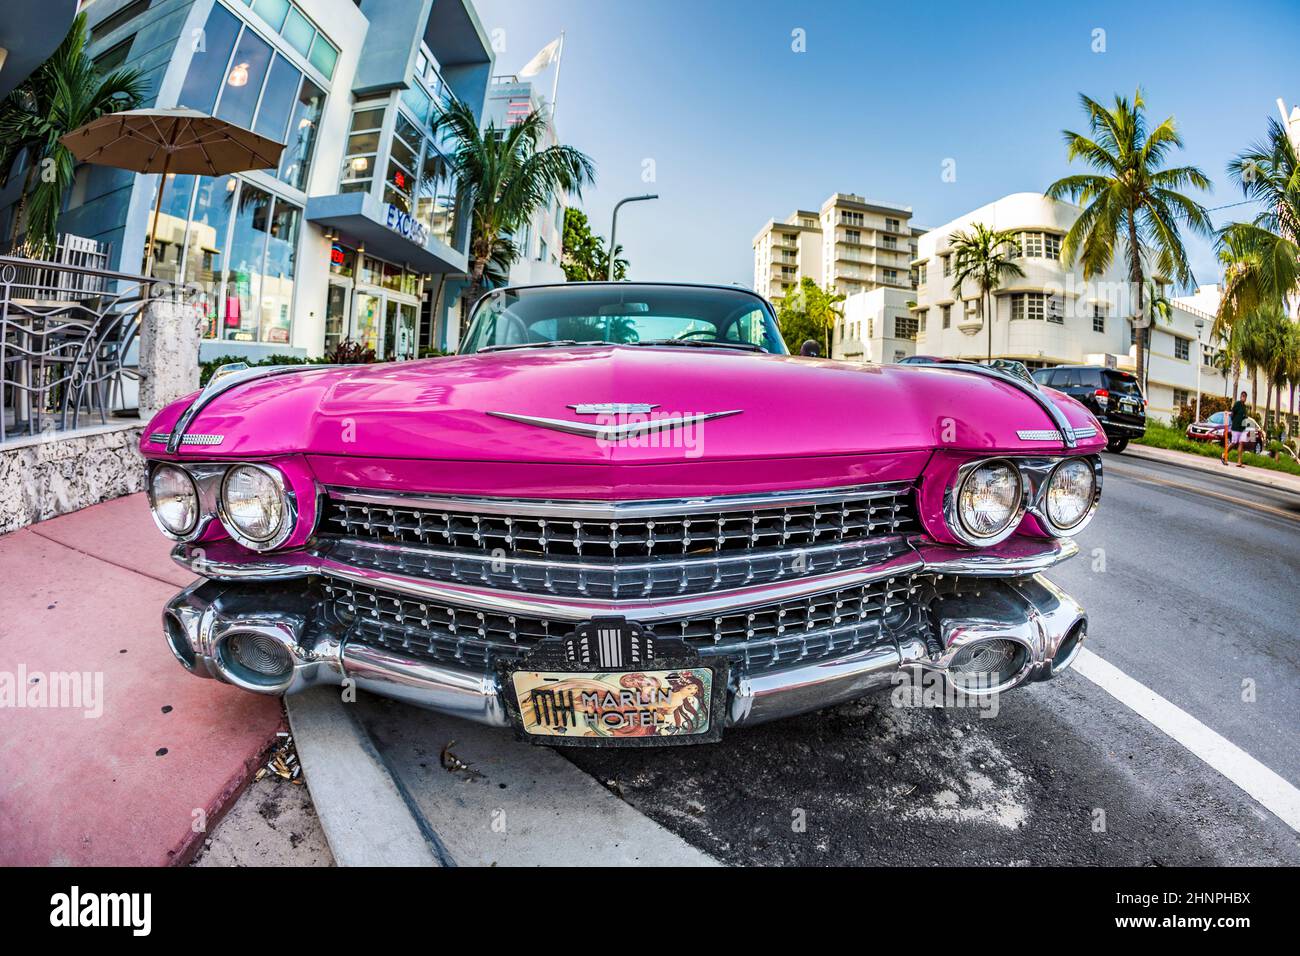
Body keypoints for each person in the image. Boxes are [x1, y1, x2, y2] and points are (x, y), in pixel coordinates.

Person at [1224, 390, 1249, 468]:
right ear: (1241, 397)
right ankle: (1224, 454)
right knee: (1234, 443)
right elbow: (1232, 414)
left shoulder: (1245, 407)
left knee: (1241, 443)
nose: (1244, 397)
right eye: (1243, 396)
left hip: (1242, 429)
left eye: (1245, 396)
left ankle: (1239, 462)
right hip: (1235, 427)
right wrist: (1234, 422)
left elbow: (1244, 416)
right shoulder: (1237, 404)